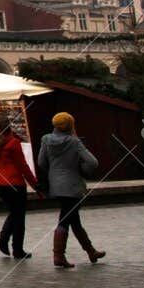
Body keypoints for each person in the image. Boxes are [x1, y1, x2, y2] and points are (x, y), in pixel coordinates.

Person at [36, 111, 106, 268]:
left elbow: (41, 162)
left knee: (74, 219)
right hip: (73, 186)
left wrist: (53, 172)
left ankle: (91, 251)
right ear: (70, 125)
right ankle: (58, 255)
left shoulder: (46, 139)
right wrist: (81, 169)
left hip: (55, 185)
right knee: (65, 219)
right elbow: (93, 162)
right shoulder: (74, 142)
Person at [0, 112, 35, 259]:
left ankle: (4, 239)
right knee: (19, 217)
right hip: (15, 183)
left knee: (14, 213)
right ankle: (16, 248)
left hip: (0, 182)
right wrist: (34, 183)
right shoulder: (14, 143)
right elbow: (22, 166)